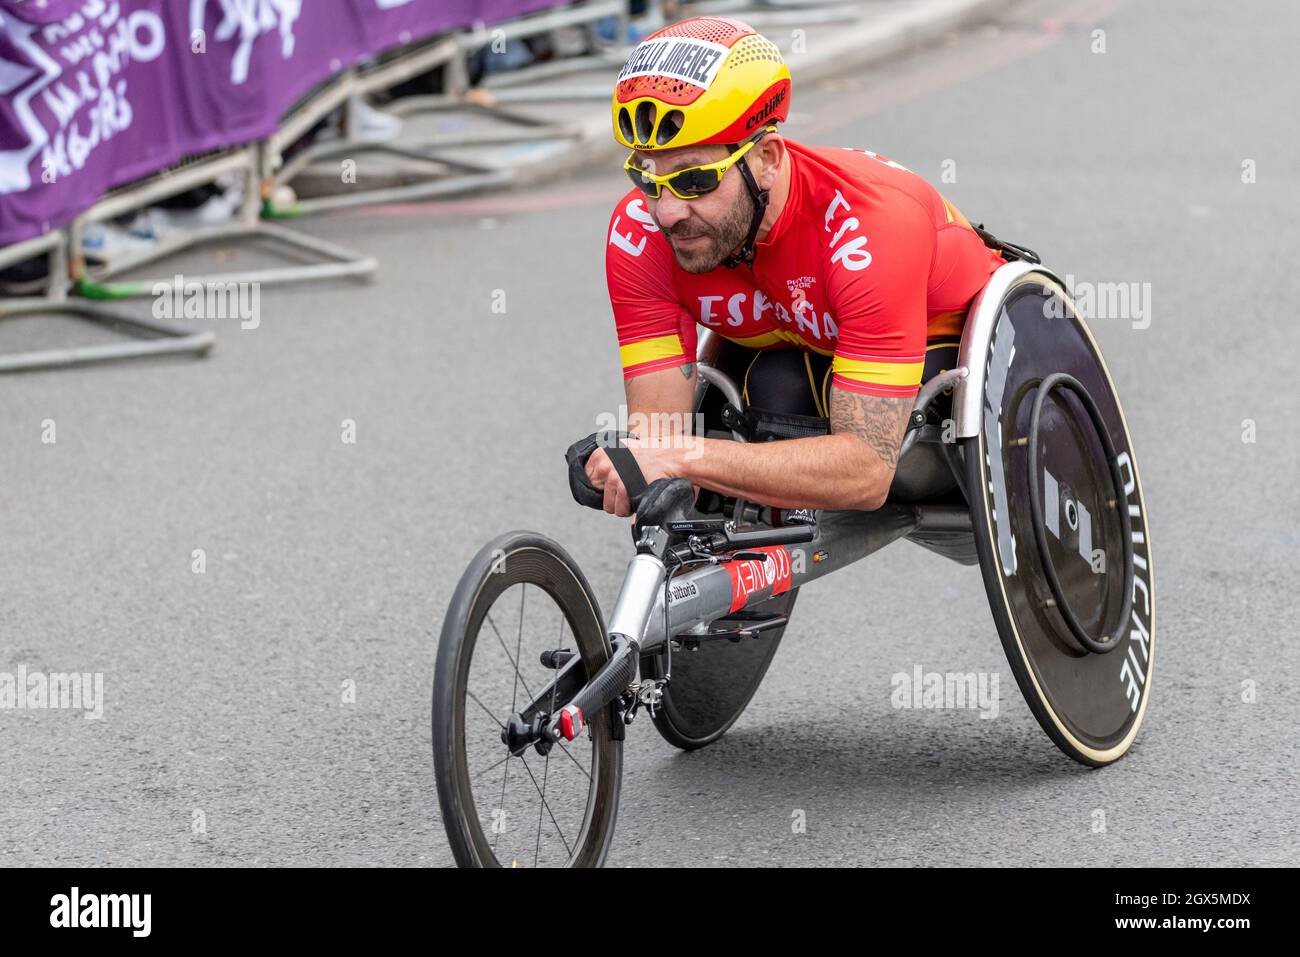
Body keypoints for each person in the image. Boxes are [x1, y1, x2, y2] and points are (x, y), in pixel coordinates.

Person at [590, 16, 1004, 516]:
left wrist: (686, 457)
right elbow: (659, 439)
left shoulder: (870, 230)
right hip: (793, 350)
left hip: (944, 353)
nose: (667, 211)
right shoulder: (639, 234)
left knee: (776, 397)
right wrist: (638, 465)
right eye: (647, 177)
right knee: (766, 391)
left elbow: (865, 473)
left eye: (694, 180)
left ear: (766, 157)